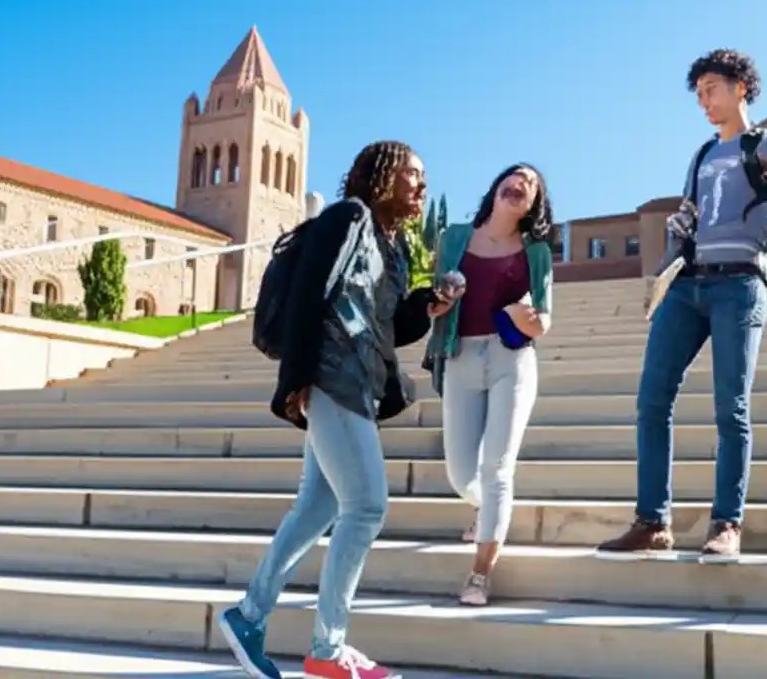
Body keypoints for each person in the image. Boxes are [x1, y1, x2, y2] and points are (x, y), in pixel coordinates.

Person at [219, 141, 455, 679]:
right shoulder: (349, 217)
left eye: (424, 176)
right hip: (331, 375)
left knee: (318, 508)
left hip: (362, 385)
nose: (421, 185)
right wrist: (296, 378)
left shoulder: (392, 248)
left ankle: (249, 615)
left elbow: (389, 326)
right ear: (384, 174)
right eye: (412, 174)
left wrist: (426, 305)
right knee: (367, 507)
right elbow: (311, 292)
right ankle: (328, 650)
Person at [596, 49, 767, 563]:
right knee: (651, 400)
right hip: (687, 287)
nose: (704, 100)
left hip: (740, 285)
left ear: (741, 87)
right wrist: (664, 269)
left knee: (732, 407)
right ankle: (651, 521)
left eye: (712, 88)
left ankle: (727, 522)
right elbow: (687, 216)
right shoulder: (703, 154)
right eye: (699, 92)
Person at [424, 163, 554, 606]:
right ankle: (483, 507)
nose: (522, 183)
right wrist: (438, 304)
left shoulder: (536, 252)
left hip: (512, 359)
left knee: (497, 467)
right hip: (461, 355)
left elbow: (545, 320)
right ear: (498, 186)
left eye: (532, 185)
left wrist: (530, 318)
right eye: (516, 177)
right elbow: (434, 301)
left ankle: (480, 573)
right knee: (462, 473)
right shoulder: (455, 238)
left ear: (533, 204)